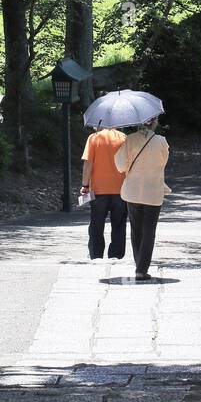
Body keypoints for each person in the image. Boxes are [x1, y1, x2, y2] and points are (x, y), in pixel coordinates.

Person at [114, 117, 170, 281]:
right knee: (149, 230)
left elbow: (120, 165)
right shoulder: (161, 141)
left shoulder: (130, 140)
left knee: (136, 228)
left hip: (133, 189)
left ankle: (139, 265)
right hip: (153, 189)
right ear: (155, 123)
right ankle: (142, 268)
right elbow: (163, 162)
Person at [81, 126, 128, 260]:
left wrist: (85, 184)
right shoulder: (124, 138)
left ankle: (96, 255)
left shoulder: (94, 138)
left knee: (96, 223)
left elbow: (88, 162)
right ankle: (116, 255)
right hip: (120, 189)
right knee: (119, 223)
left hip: (98, 190)